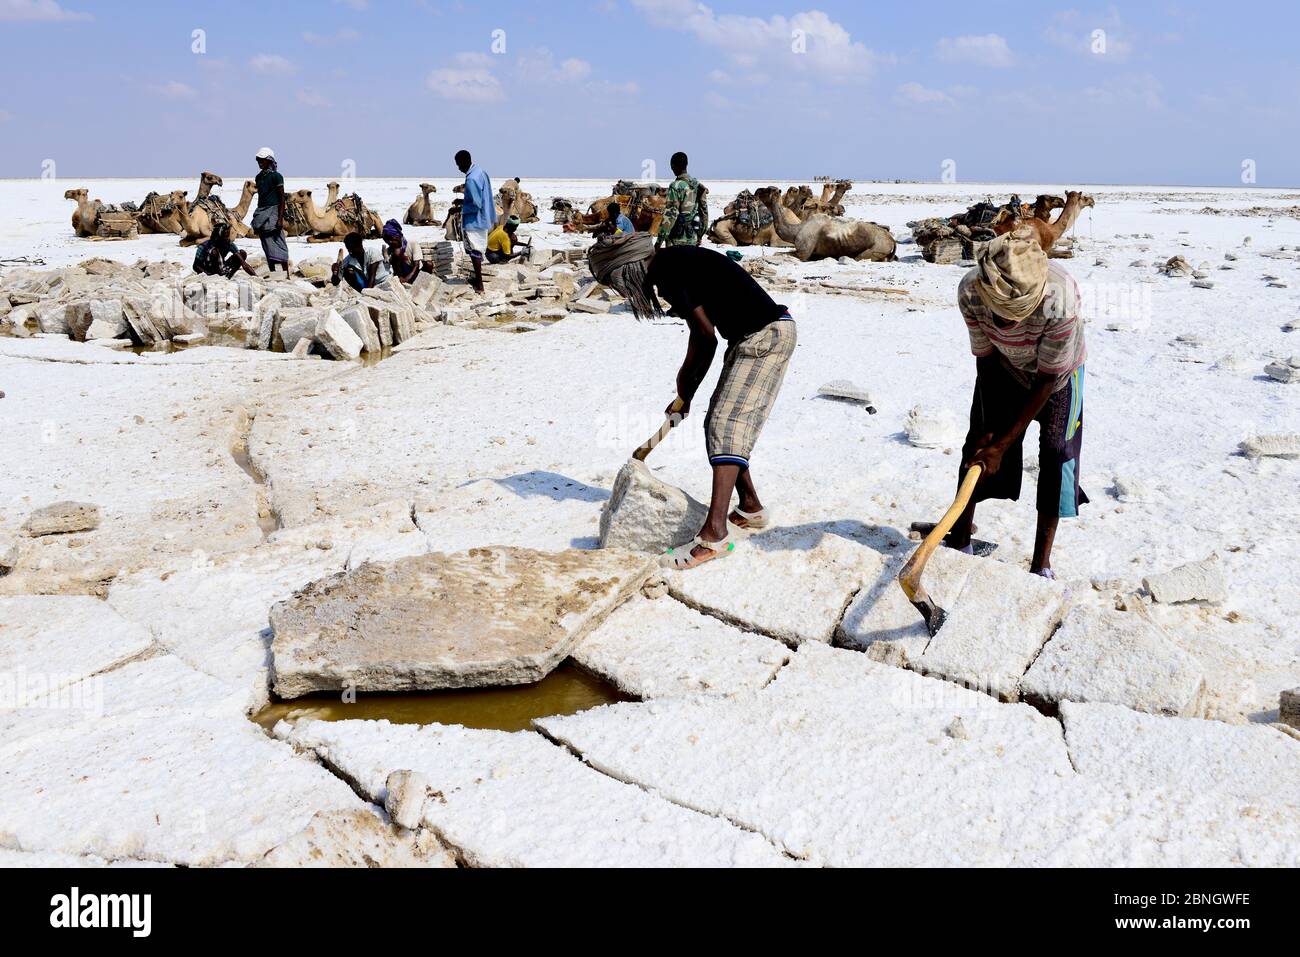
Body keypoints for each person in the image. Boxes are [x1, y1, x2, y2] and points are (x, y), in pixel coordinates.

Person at [589, 232, 796, 570]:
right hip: (753, 336)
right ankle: (750, 507)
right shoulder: (674, 262)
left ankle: (715, 535)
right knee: (719, 422)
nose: (623, 292)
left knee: (726, 424)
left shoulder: (671, 272)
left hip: (765, 337)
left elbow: (704, 338)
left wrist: (684, 389)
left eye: (616, 282)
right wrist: (686, 397)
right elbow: (706, 336)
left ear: (626, 269)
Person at [947, 226, 1088, 579]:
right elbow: (986, 359)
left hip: (1056, 377)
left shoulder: (1061, 299)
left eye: (1017, 313)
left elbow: (1045, 380)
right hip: (1003, 366)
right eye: (1003, 312)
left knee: (1057, 453)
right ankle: (961, 538)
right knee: (977, 447)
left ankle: (1041, 563)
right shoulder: (971, 291)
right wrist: (993, 432)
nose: (1008, 321)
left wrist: (1008, 440)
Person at [455, 149, 496, 292]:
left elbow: (476, 204)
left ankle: (479, 284)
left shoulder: (471, 179)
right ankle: (477, 280)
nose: (458, 168)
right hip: (485, 217)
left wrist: (461, 208)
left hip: (475, 220)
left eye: (458, 165)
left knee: (475, 251)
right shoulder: (480, 172)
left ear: (462, 163)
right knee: (477, 249)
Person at [250, 147, 290, 273]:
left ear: (269, 160)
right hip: (262, 212)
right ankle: (273, 272)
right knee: (266, 243)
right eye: (258, 160)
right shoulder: (258, 177)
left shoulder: (277, 177)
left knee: (279, 242)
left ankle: (285, 273)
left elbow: (281, 198)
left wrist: (280, 218)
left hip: (273, 212)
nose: (259, 162)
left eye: (262, 160)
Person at [656, 151, 707, 249]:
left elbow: (670, 215)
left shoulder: (675, 186)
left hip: (676, 239)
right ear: (686, 165)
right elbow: (704, 211)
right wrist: (700, 235)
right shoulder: (697, 185)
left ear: (673, 166)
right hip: (692, 237)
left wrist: (659, 242)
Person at [381, 219, 426, 284]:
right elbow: (388, 270)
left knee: (429, 265)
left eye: (392, 239)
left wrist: (407, 279)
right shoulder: (390, 251)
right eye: (388, 241)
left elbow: (417, 265)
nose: (390, 242)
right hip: (402, 275)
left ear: (398, 236)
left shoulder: (412, 244)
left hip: (415, 273)